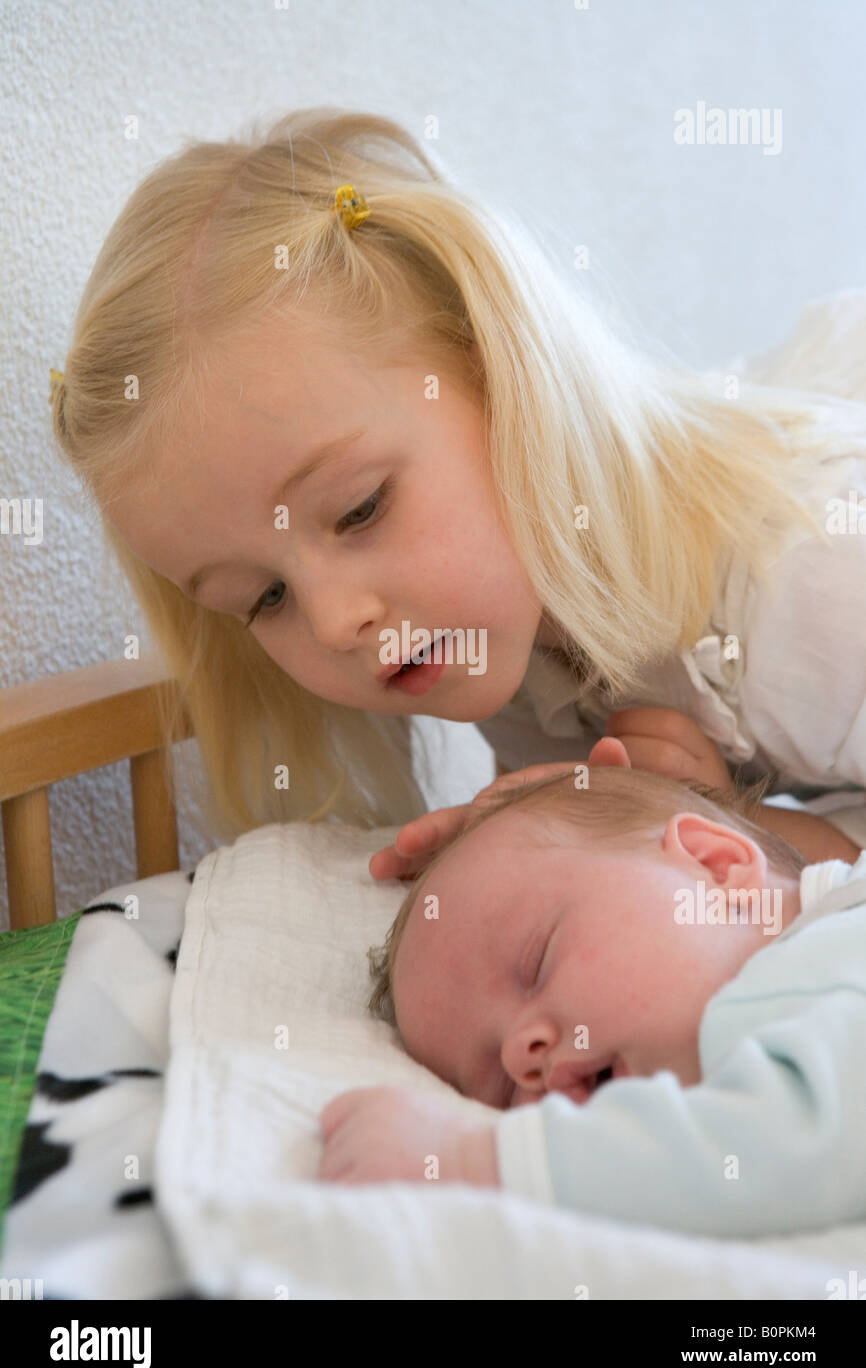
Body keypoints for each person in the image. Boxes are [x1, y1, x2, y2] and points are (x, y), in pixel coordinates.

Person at [48, 107, 866, 862]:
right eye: (264, 598)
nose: (336, 623)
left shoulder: (813, 585)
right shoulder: (499, 647)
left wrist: (757, 833)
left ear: (503, 376)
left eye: (360, 509)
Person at [317, 752, 866, 1238]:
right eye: (499, 1089)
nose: (519, 1053)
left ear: (714, 866)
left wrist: (470, 1159)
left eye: (537, 963)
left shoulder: (818, 961)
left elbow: (788, 1136)